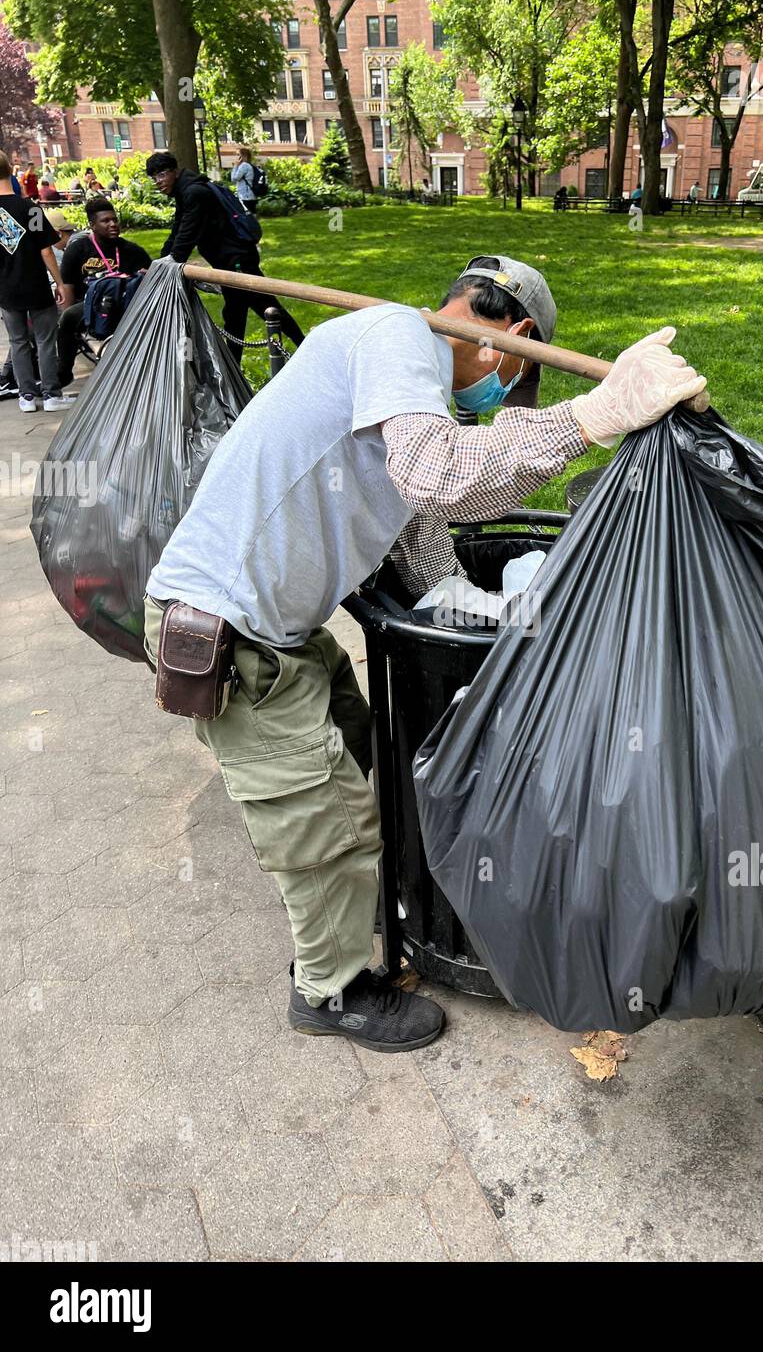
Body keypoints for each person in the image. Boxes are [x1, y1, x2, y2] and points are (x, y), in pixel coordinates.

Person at [141, 252, 709, 1053]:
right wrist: (593, 416)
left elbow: (418, 535)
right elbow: (438, 476)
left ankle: (355, 894)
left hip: (281, 632)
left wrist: (483, 607)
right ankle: (331, 991)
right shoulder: (399, 335)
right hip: (227, 635)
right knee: (321, 818)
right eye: (514, 378)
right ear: (508, 338)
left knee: (356, 744)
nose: (502, 396)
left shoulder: (400, 385)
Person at [146, 150, 304, 363]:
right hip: (231, 260)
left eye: (162, 174)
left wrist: (172, 260)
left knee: (258, 307)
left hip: (236, 260)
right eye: (154, 177)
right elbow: (178, 230)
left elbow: (187, 234)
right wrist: (160, 261)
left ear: (175, 171)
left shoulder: (193, 192)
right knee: (240, 313)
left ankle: (300, 347)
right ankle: (236, 367)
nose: (158, 181)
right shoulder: (187, 191)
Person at [0, 149, 73, 412]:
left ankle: (26, 397)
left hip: (6, 289)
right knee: (44, 340)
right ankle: (51, 395)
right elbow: (46, 250)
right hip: (35, 284)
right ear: (11, 170)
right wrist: (60, 282)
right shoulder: (29, 209)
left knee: (18, 342)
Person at [56, 196, 151, 387]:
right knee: (68, 318)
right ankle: (63, 371)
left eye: (114, 219)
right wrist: (65, 313)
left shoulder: (132, 251)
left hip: (124, 306)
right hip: (91, 306)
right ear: (92, 225)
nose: (113, 224)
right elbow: (67, 286)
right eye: (105, 221)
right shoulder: (78, 249)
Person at [230, 147, 258, 213]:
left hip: (245, 196)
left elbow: (234, 179)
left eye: (238, 154)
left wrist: (235, 166)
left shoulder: (244, 166)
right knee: (251, 217)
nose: (236, 157)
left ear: (243, 156)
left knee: (246, 217)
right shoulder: (248, 165)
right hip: (249, 195)